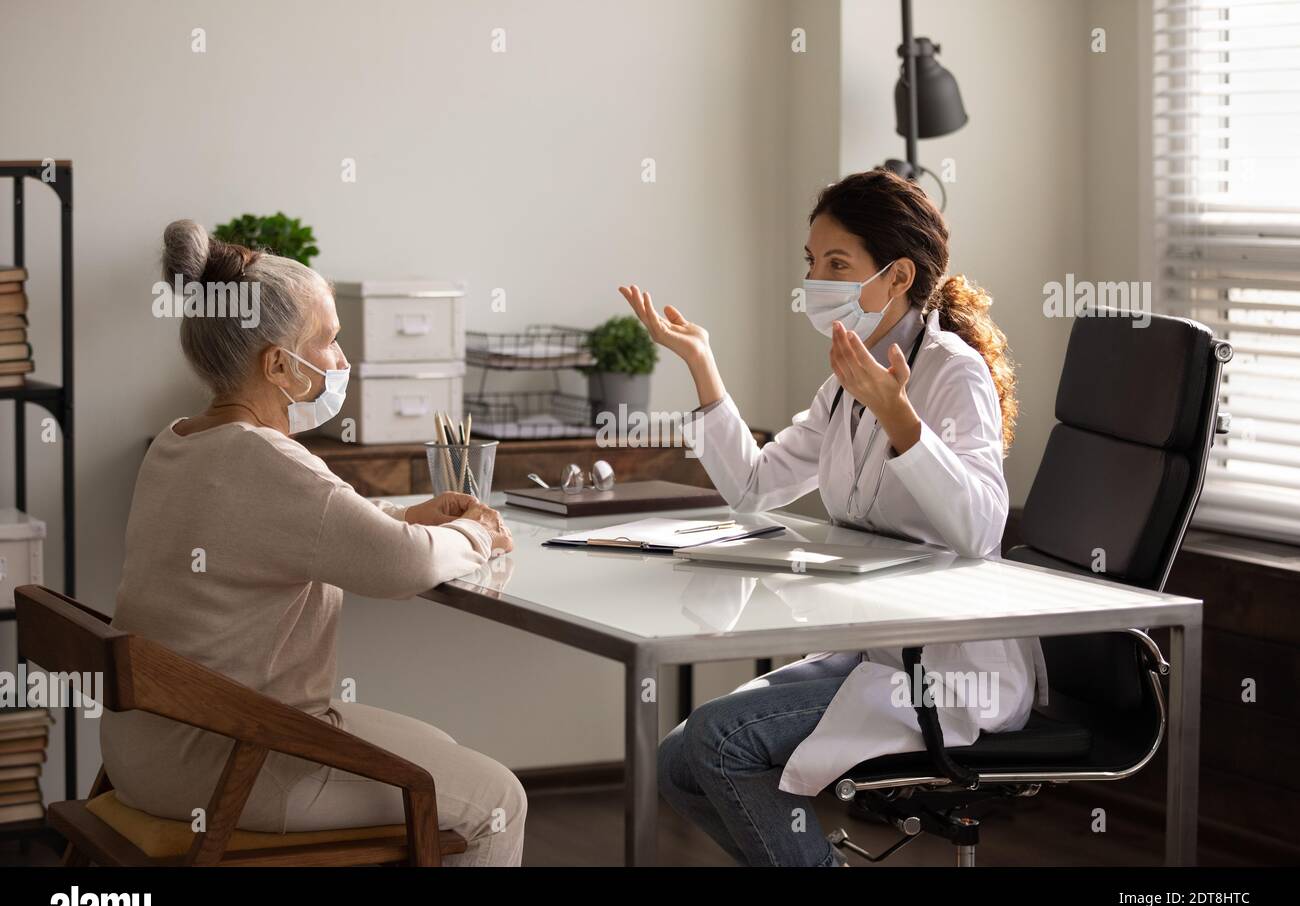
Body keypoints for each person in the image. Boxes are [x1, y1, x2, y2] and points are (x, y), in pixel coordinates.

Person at [619, 168, 1048, 867]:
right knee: (677, 761)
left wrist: (901, 419)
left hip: (947, 671)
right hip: (877, 649)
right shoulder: (848, 379)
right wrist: (702, 366)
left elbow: (979, 528)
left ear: (897, 274)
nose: (816, 280)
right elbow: (755, 488)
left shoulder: (949, 370)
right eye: (812, 263)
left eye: (837, 264)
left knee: (720, 744)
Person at [100, 220, 526, 865]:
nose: (341, 362)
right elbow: (402, 566)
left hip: (150, 748)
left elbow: (296, 526)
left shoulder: (180, 442)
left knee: (442, 746)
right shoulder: (270, 460)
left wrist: (408, 512)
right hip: (233, 759)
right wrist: (476, 532)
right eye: (328, 341)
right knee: (497, 800)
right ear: (279, 365)